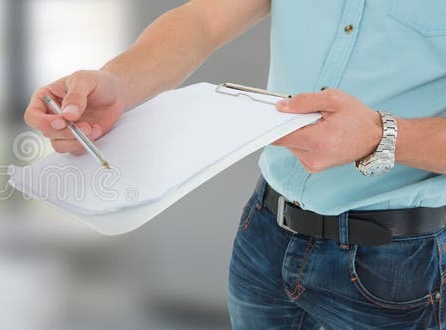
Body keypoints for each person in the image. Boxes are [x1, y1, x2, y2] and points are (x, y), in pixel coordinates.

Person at [23, 0, 446, 328]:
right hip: (265, 231)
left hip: (398, 263)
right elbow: (203, 20)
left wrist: (378, 135)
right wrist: (117, 82)